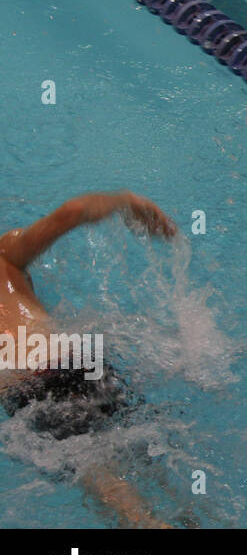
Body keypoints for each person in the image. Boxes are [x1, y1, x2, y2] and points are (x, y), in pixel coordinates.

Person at [0, 191, 177, 527]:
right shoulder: (5, 253)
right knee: (162, 470)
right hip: (81, 361)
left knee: (124, 504)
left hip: (32, 391)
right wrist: (127, 200)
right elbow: (76, 209)